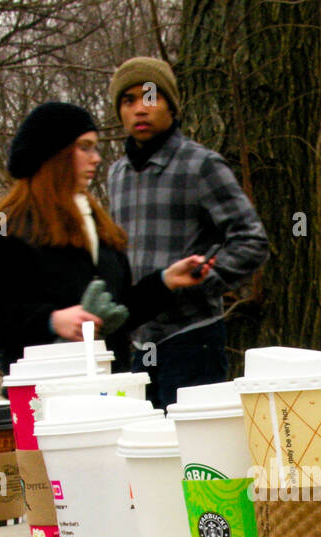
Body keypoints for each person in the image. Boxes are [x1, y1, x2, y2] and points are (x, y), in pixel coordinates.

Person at [0, 101, 213, 387]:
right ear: (53, 153)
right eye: (84, 147)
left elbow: (118, 312)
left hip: (112, 387)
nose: (96, 158)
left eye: (95, 147)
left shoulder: (98, 225)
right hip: (44, 396)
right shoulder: (4, 225)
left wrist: (165, 282)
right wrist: (51, 320)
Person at [106, 57, 269, 407]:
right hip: (138, 347)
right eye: (128, 100)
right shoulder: (116, 175)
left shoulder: (201, 165)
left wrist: (204, 282)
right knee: (146, 454)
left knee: (194, 455)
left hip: (193, 341)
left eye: (151, 97)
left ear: (171, 105)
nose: (140, 109)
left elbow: (251, 239)